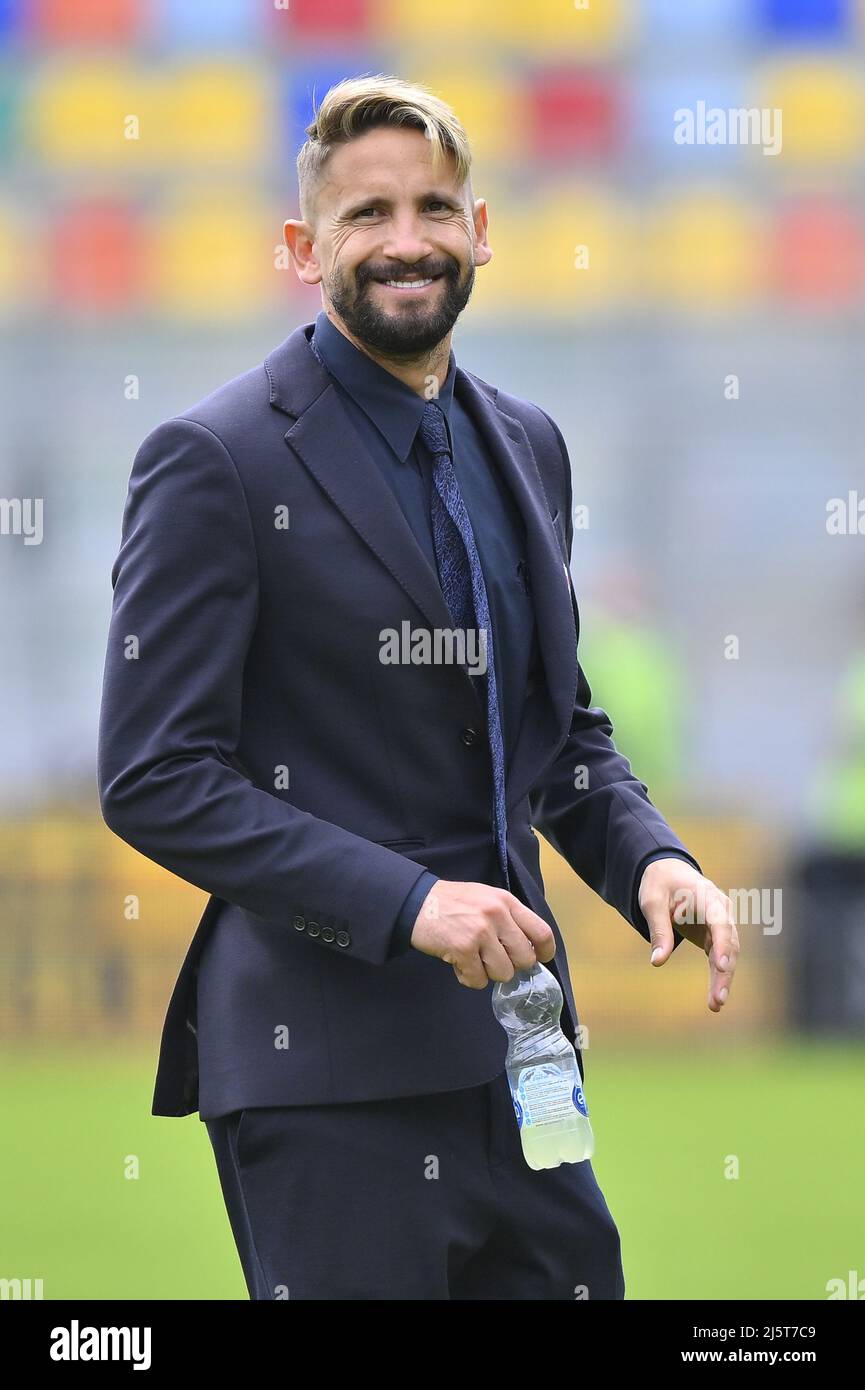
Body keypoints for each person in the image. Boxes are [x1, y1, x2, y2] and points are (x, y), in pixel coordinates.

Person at [97, 74, 739, 1301]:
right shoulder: (213, 461)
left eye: (434, 208)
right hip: (324, 1077)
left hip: (522, 1061)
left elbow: (552, 734)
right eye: (365, 214)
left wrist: (646, 856)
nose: (406, 242)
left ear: (480, 231)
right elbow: (155, 776)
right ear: (304, 247)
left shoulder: (526, 442)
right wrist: (407, 904)